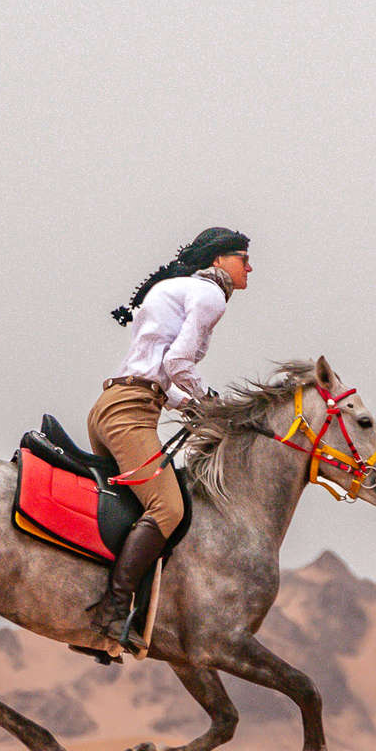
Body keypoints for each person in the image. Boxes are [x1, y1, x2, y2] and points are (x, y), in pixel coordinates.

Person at [87, 227, 252, 650]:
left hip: (109, 406)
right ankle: (111, 613)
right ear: (218, 260)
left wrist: (187, 404)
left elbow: (156, 370)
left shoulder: (174, 289)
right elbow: (178, 362)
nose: (249, 267)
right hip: (130, 414)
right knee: (168, 509)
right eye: (242, 258)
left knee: (130, 511)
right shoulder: (211, 295)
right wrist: (209, 400)